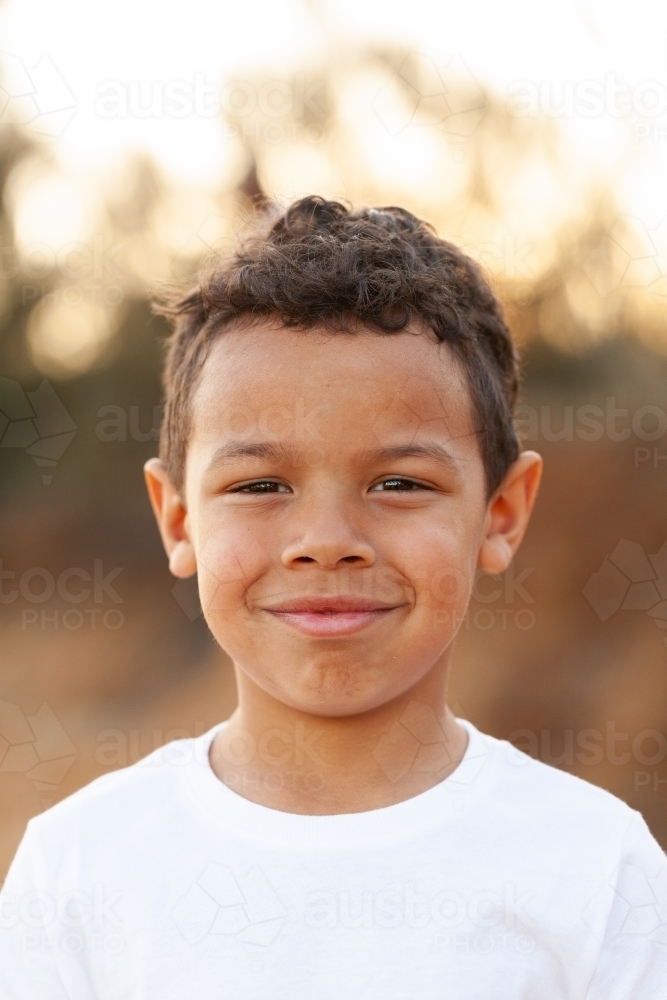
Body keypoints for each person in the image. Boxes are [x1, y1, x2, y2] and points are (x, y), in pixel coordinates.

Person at [1, 196, 666, 998]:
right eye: (259, 484)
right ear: (178, 520)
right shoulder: (77, 870)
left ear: (501, 513)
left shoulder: (596, 871)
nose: (325, 536)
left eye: (397, 482)